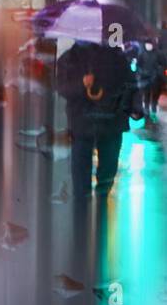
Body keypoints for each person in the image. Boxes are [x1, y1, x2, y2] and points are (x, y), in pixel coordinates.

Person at [56, 39, 136, 202]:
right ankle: (83, 212)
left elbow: (130, 85)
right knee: (81, 181)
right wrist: (82, 84)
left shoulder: (115, 58)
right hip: (83, 125)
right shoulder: (70, 58)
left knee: (106, 177)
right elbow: (62, 87)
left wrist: (130, 108)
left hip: (110, 123)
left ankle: (99, 207)